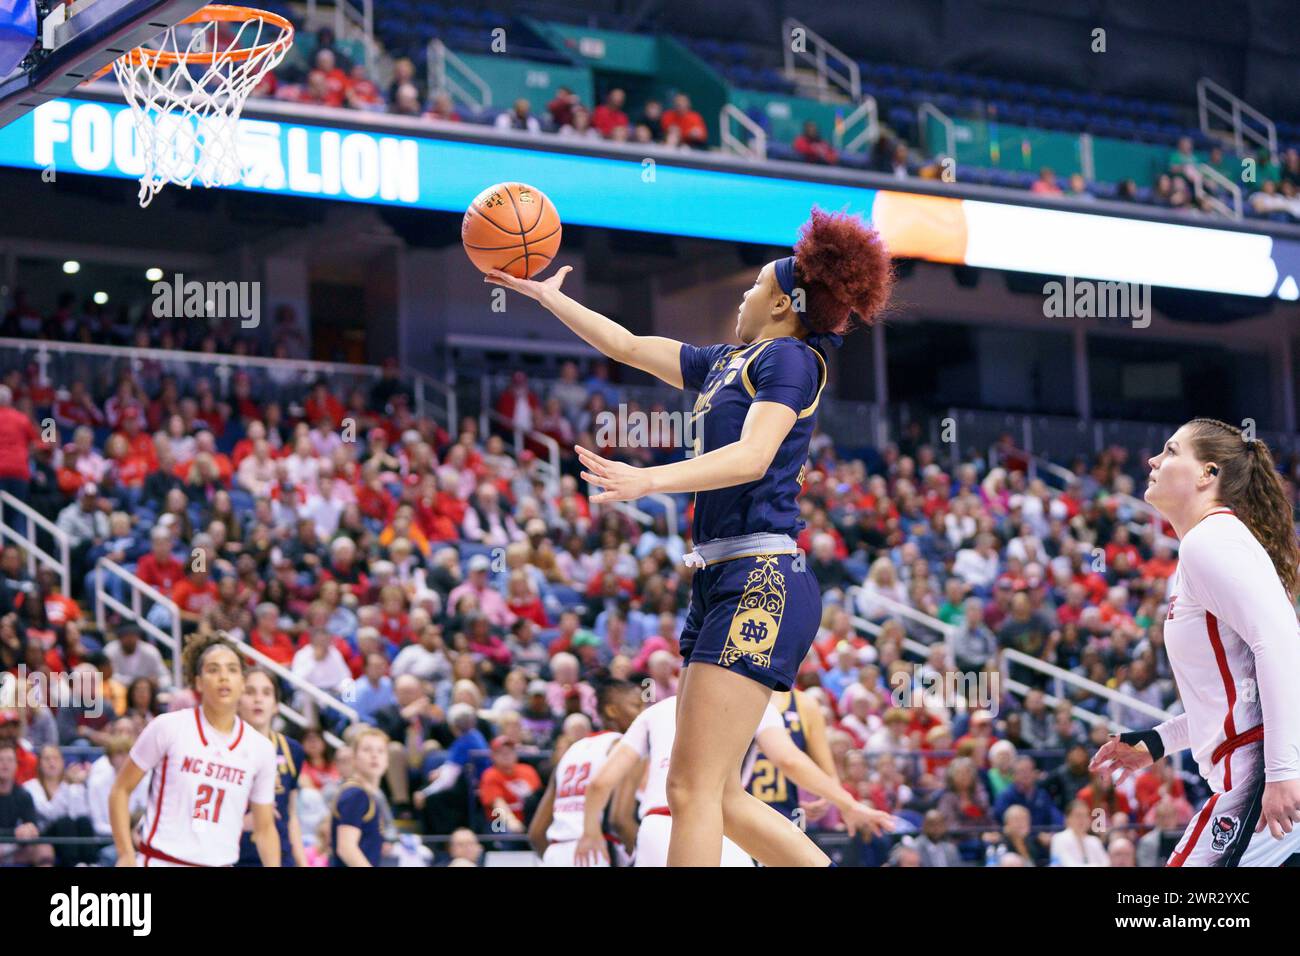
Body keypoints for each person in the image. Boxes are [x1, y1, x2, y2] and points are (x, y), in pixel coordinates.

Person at [486, 207, 893, 866]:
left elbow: (753, 457)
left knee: (689, 788)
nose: (744, 294)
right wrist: (553, 299)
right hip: (722, 579)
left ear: (786, 303)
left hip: (761, 579)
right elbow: (626, 344)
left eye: (755, 286)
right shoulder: (725, 363)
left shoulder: (790, 358)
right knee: (718, 794)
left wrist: (649, 481)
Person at [1091, 419, 1300, 866]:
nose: (1152, 460)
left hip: (1261, 770)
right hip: (1263, 760)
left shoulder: (1209, 542)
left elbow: (1282, 646)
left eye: (1169, 451)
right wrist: (1159, 740)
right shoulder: (1214, 544)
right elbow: (1241, 693)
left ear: (1208, 473)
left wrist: (1282, 772)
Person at [577, 694, 892, 866]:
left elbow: (601, 782)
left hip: (654, 827)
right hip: (709, 823)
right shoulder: (751, 701)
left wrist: (590, 831)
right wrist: (847, 802)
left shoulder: (657, 709)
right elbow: (789, 759)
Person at [108, 632, 280, 867]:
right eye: (213, 669)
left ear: (242, 683)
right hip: (162, 861)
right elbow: (120, 790)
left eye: (232, 669)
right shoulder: (168, 727)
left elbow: (265, 829)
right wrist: (125, 853)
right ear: (198, 682)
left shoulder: (261, 749)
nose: (223, 677)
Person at [528, 679, 644, 865]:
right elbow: (620, 820)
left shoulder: (572, 750)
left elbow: (535, 833)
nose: (642, 713)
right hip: (596, 851)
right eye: (636, 706)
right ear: (612, 710)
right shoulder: (624, 747)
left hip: (557, 852)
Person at [236, 668, 307, 867]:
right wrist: (242, 823)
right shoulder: (220, 748)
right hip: (235, 858)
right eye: (250, 692)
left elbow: (291, 815)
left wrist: (302, 862)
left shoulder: (292, 750)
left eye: (266, 693)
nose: (258, 699)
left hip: (281, 858)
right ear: (238, 701)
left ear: (276, 705)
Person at [330, 726, 392, 867]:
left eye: (380, 751)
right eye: (367, 750)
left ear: (387, 760)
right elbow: (346, 848)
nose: (374, 755)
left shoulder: (367, 794)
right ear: (354, 758)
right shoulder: (356, 795)